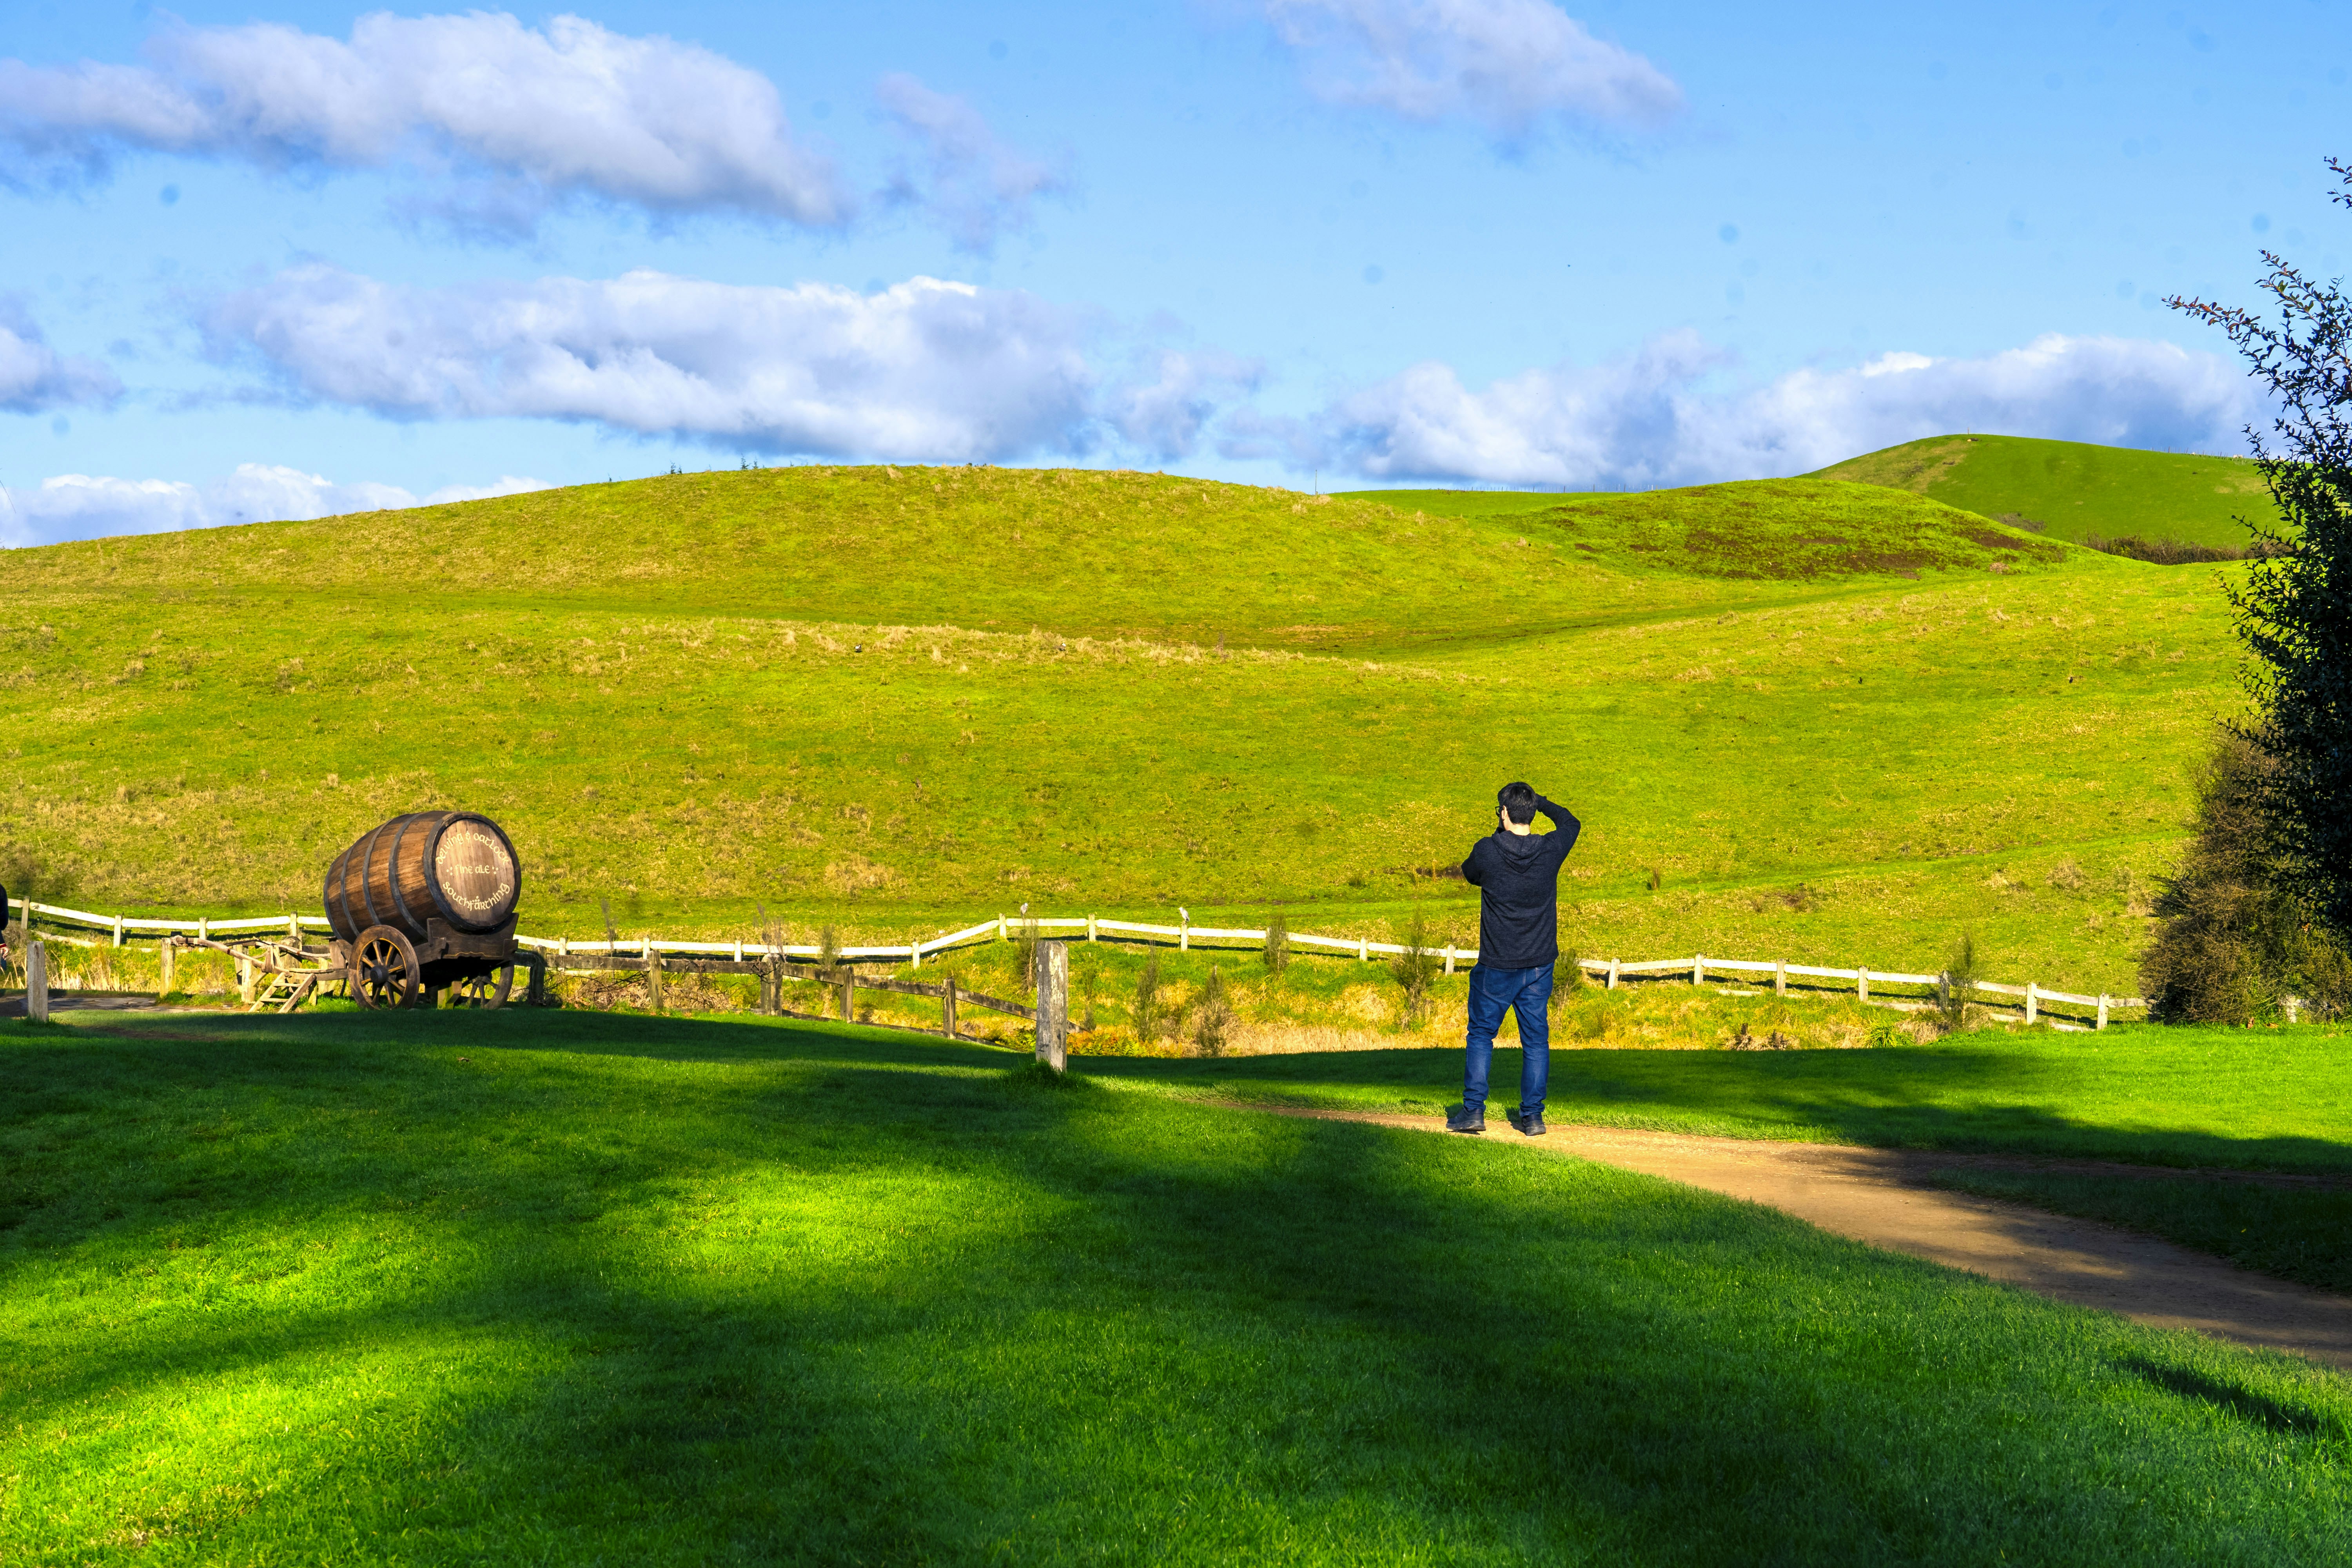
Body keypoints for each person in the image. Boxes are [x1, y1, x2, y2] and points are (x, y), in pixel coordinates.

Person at [1448, 782, 1580, 1135]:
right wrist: (1543, 803)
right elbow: (1571, 823)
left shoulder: (1487, 851)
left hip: (1496, 964)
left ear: (1503, 813)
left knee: (1480, 1035)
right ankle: (1533, 1118)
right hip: (1539, 965)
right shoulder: (1551, 849)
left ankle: (1474, 1111)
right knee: (1535, 1041)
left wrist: (1499, 831)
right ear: (1533, 812)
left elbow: (1469, 872)